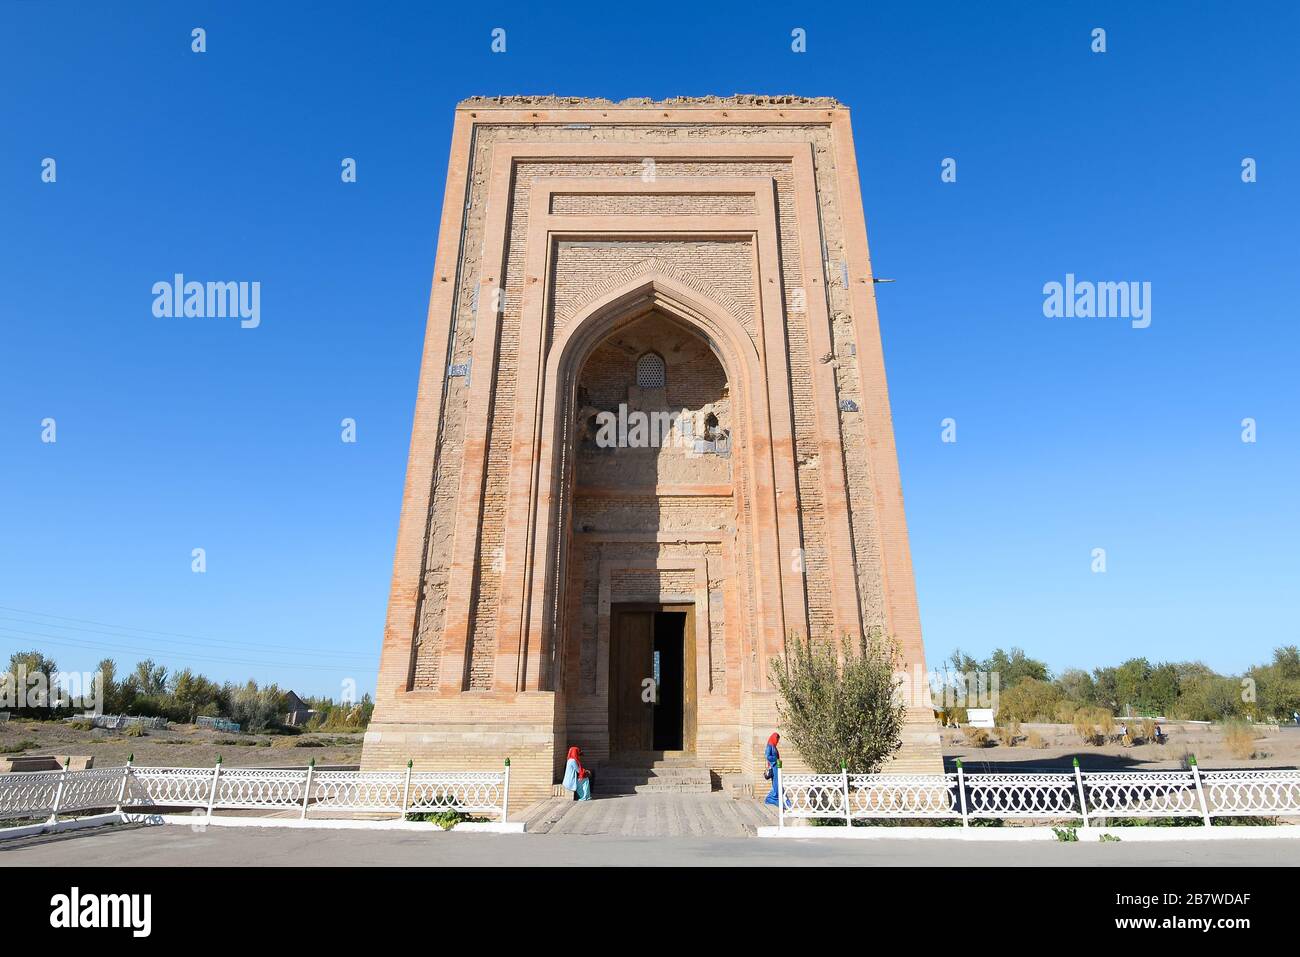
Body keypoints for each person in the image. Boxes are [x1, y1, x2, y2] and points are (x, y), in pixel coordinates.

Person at [763, 732, 781, 806]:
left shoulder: (773, 745)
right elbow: (767, 756)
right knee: (776, 783)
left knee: (777, 783)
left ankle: (773, 798)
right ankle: (770, 799)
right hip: (773, 767)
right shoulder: (770, 746)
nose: (777, 741)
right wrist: (775, 760)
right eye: (777, 739)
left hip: (776, 767)